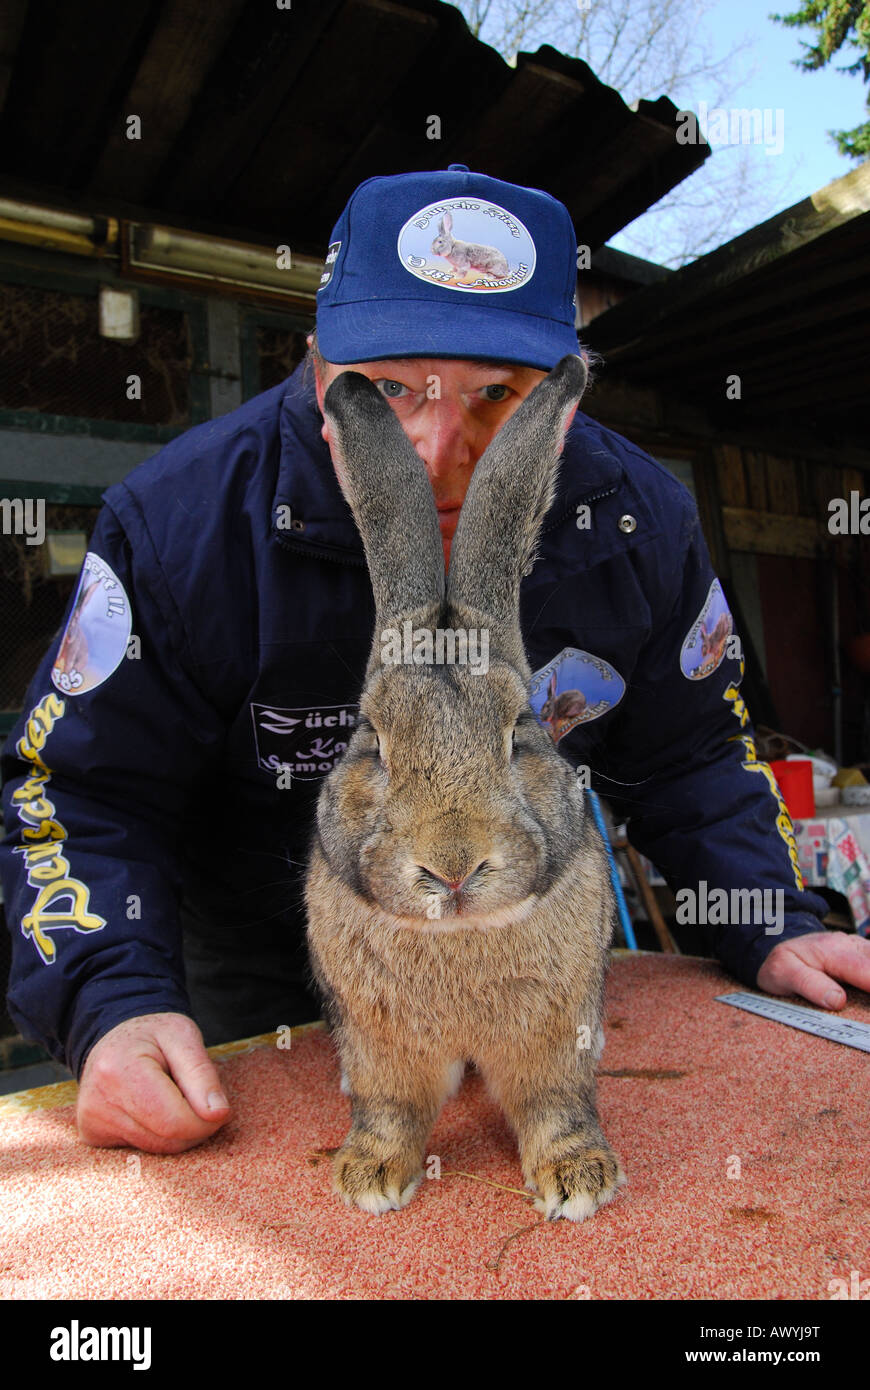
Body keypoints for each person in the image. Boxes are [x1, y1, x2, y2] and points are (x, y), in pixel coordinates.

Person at [1, 164, 868, 1156]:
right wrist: (113, 999)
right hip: (263, 969)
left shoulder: (639, 524)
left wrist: (771, 918)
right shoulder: (183, 525)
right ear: (322, 368)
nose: (437, 444)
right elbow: (85, 787)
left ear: (564, 402)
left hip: (523, 954)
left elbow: (694, 754)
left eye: (497, 396)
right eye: (391, 388)